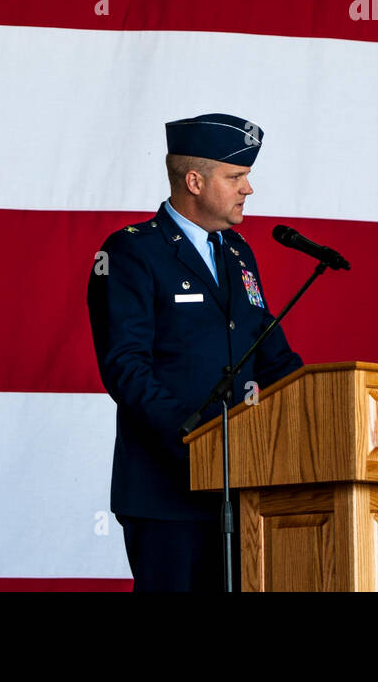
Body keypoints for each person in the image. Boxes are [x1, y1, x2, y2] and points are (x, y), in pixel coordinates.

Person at [86, 112, 303, 591]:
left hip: (245, 486)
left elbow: (272, 353)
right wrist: (200, 438)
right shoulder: (131, 252)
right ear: (194, 181)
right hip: (167, 490)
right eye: (236, 177)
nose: (248, 189)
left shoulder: (238, 252)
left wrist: (319, 403)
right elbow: (125, 367)